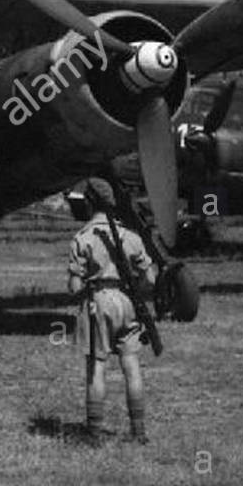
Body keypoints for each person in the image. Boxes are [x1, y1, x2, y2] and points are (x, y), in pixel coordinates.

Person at [66, 177, 157, 444]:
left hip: (98, 302)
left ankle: (94, 433)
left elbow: (73, 287)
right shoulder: (131, 236)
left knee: (96, 368)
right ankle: (138, 431)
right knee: (132, 367)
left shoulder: (83, 238)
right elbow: (149, 279)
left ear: (90, 201)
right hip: (128, 302)